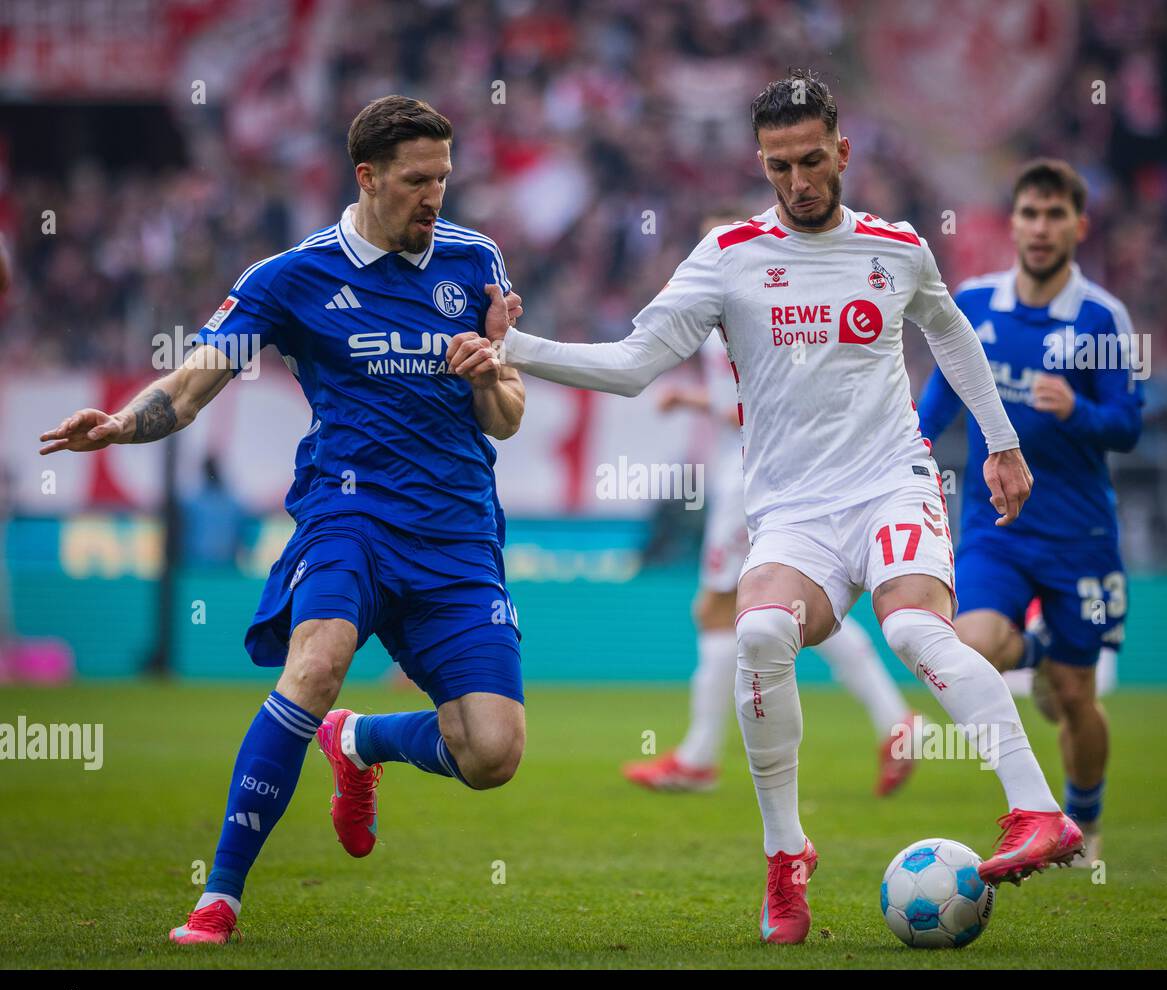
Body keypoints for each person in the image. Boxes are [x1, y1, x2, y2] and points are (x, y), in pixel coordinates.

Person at [451, 71, 1081, 944]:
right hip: (791, 507)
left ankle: (1037, 812)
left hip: (893, 479)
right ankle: (786, 858)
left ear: (843, 151)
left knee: (913, 632)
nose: (799, 182)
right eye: (780, 166)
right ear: (763, 163)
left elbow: (948, 330)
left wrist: (1001, 441)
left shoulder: (898, 248)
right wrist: (512, 344)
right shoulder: (729, 257)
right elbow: (635, 364)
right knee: (757, 633)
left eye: (813, 160)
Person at [39, 95, 527, 945]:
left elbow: (508, 416)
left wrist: (488, 371)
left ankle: (361, 743)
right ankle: (219, 897)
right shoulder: (290, 278)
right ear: (367, 177)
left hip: (458, 534)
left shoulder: (476, 259)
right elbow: (190, 385)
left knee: (493, 755)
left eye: (444, 178)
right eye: (417, 181)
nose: (435, 197)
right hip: (352, 516)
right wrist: (122, 423)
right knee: (315, 664)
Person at [625, 216, 916, 796]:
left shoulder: (750, 310)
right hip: (764, 475)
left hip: (754, 480)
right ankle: (895, 721)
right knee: (789, 609)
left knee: (722, 610)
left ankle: (701, 757)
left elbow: (756, 410)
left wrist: (693, 402)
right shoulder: (729, 307)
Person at [918, 159, 1143, 865]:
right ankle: (1034, 651)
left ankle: (1084, 822)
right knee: (968, 645)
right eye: (1029, 214)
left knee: (1077, 696)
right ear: (1012, 223)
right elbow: (939, 401)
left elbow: (1130, 425)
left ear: (1079, 225)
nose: (1040, 228)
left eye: (1054, 215)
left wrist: (1078, 411)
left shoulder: (1104, 318)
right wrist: (914, 451)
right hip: (998, 529)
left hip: (1080, 537)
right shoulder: (976, 306)